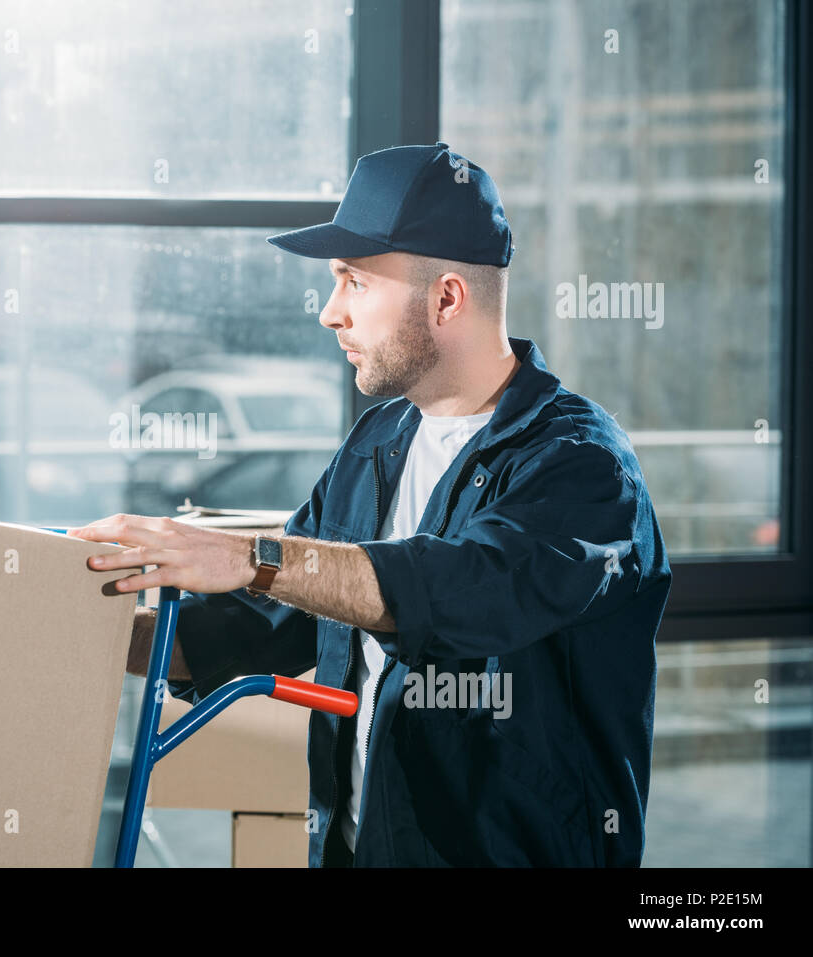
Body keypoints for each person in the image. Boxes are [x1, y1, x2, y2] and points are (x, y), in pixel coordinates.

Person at [68, 142, 672, 867]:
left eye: (354, 282)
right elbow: (273, 620)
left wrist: (245, 555)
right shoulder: (378, 440)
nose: (329, 314)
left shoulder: (583, 466)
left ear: (447, 297)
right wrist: (84, 630)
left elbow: (463, 591)